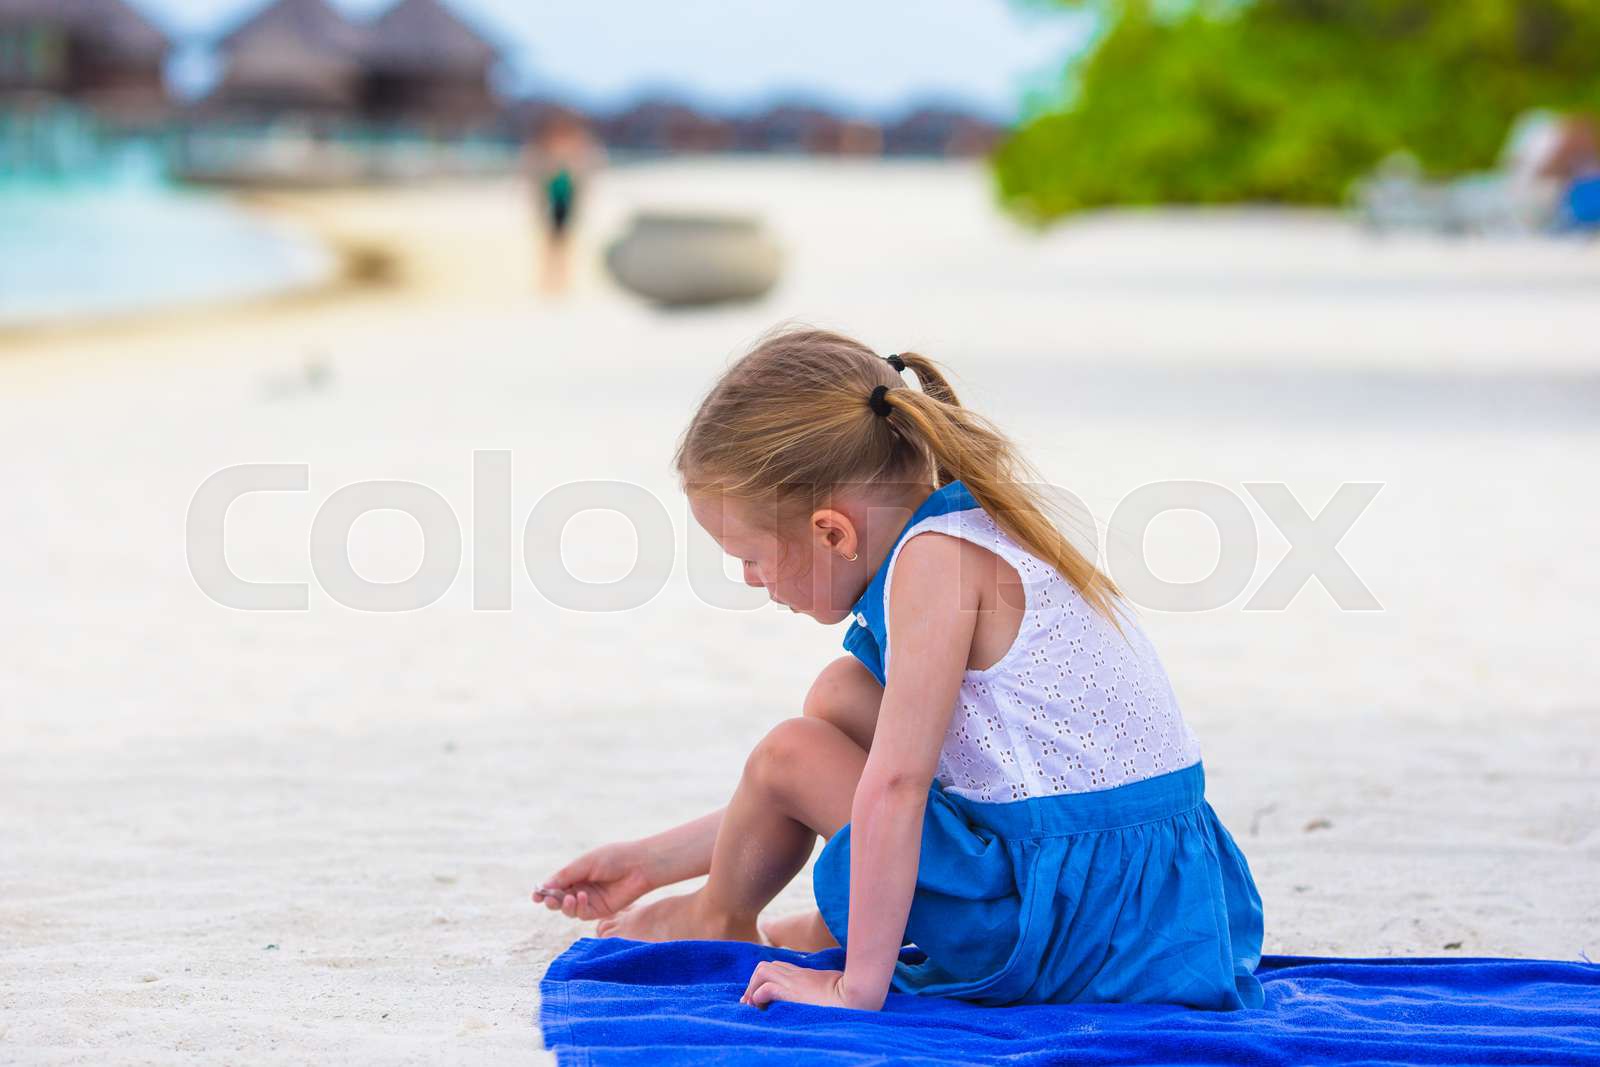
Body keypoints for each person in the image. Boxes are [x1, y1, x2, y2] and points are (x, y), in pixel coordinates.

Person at [535, 328, 1265, 1014]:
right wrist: (651, 860)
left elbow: (894, 785)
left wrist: (858, 989)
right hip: (1170, 906)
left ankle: (720, 914)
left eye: (749, 558)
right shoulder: (976, 520)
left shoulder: (930, 565)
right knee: (840, 695)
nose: (753, 580)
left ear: (832, 531)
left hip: (1080, 922)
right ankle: (730, 899)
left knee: (793, 748)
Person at [522, 114, 603, 295]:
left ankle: (563, 281)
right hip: (551, 205)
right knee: (550, 243)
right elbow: (534, 177)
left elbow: (588, 173)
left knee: (565, 243)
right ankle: (549, 280)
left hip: (567, 204)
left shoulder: (577, 156)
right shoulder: (543, 154)